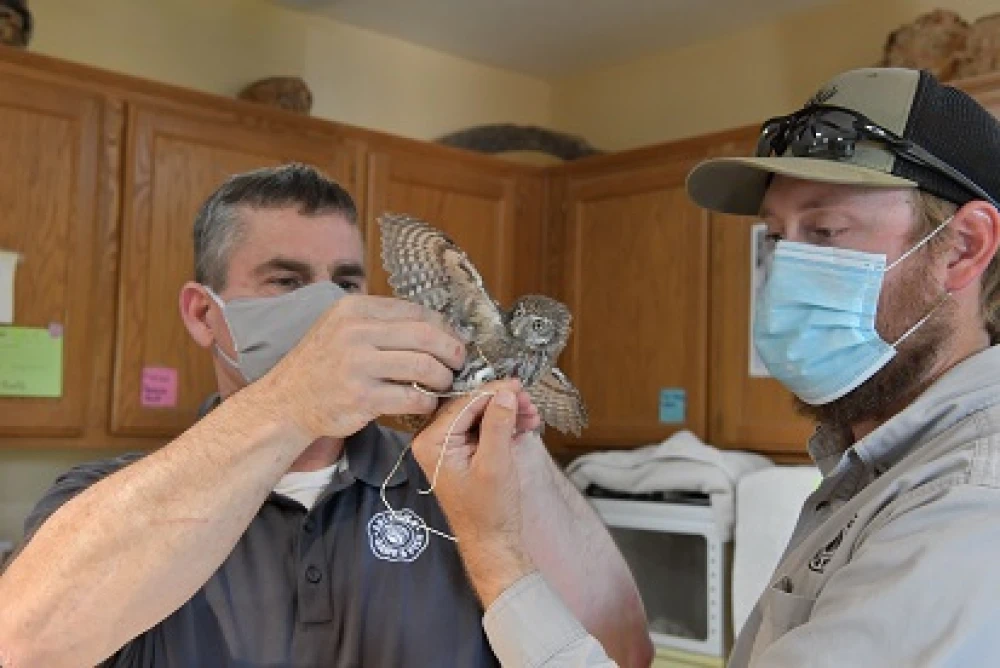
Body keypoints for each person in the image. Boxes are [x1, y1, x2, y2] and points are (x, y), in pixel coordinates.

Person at [409, 66, 1000, 667]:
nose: (784, 273)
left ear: (964, 247)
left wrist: (490, 545)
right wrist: (519, 468)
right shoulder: (873, 468)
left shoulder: (971, 508)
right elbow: (624, 646)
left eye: (824, 231)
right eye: (774, 238)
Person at [0, 164, 653, 668]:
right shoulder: (109, 500)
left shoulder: (456, 495)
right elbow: (20, 642)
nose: (329, 309)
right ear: (204, 315)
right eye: (286, 281)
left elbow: (621, 651)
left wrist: (508, 419)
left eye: (345, 283)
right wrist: (289, 401)